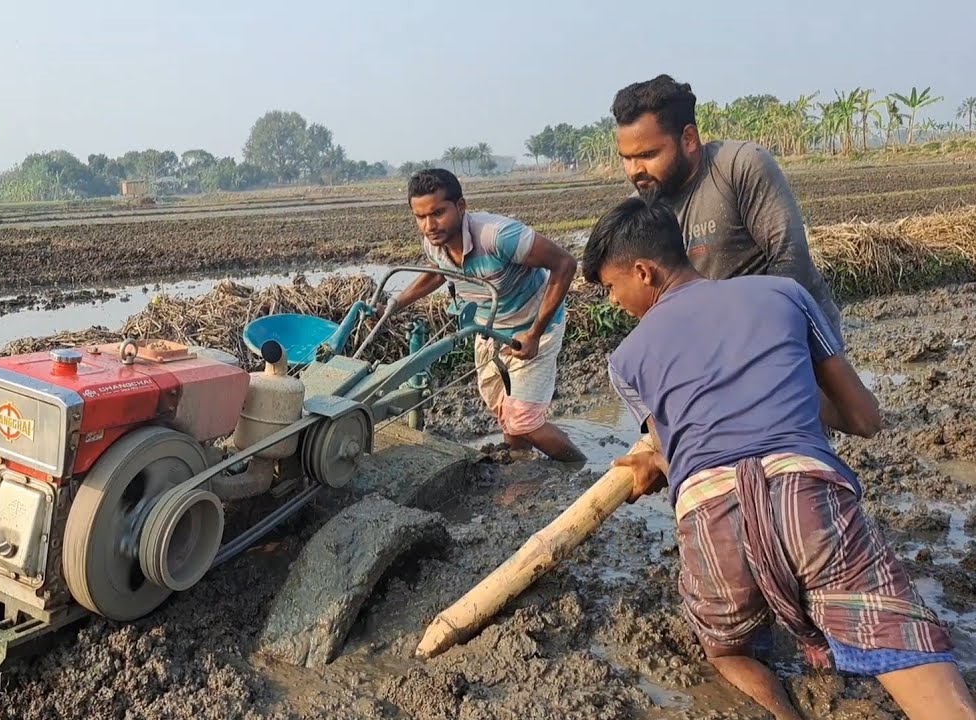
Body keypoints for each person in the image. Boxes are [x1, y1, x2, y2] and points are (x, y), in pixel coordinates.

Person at [581, 196, 976, 720]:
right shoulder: (784, 294)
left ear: (643, 272)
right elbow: (864, 418)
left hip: (712, 518)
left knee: (726, 647)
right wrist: (791, 390)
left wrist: (656, 462)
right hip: (807, 497)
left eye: (611, 288)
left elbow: (680, 457)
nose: (613, 302)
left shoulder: (625, 360)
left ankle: (782, 711)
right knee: (909, 647)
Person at [610, 74, 844, 343]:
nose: (634, 170)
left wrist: (754, 342)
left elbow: (791, 259)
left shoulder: (738, 167)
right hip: (720, 348)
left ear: (688, 139)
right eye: (626, 158)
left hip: (795, 336)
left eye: (648, 155)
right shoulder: (642, 209)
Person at [385, 168, 585, 462]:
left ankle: (578, 467)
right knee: (504, 408)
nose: (429, 225)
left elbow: (565, 264)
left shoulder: (497, 236)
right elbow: (438, 275)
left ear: (461, 206)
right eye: (420, 217)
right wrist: (394, 304)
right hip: (490, 329)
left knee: (525, 420)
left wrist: (534, 334)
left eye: (438, 212)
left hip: (534, 326)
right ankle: (521, 463)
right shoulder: (433, 242)